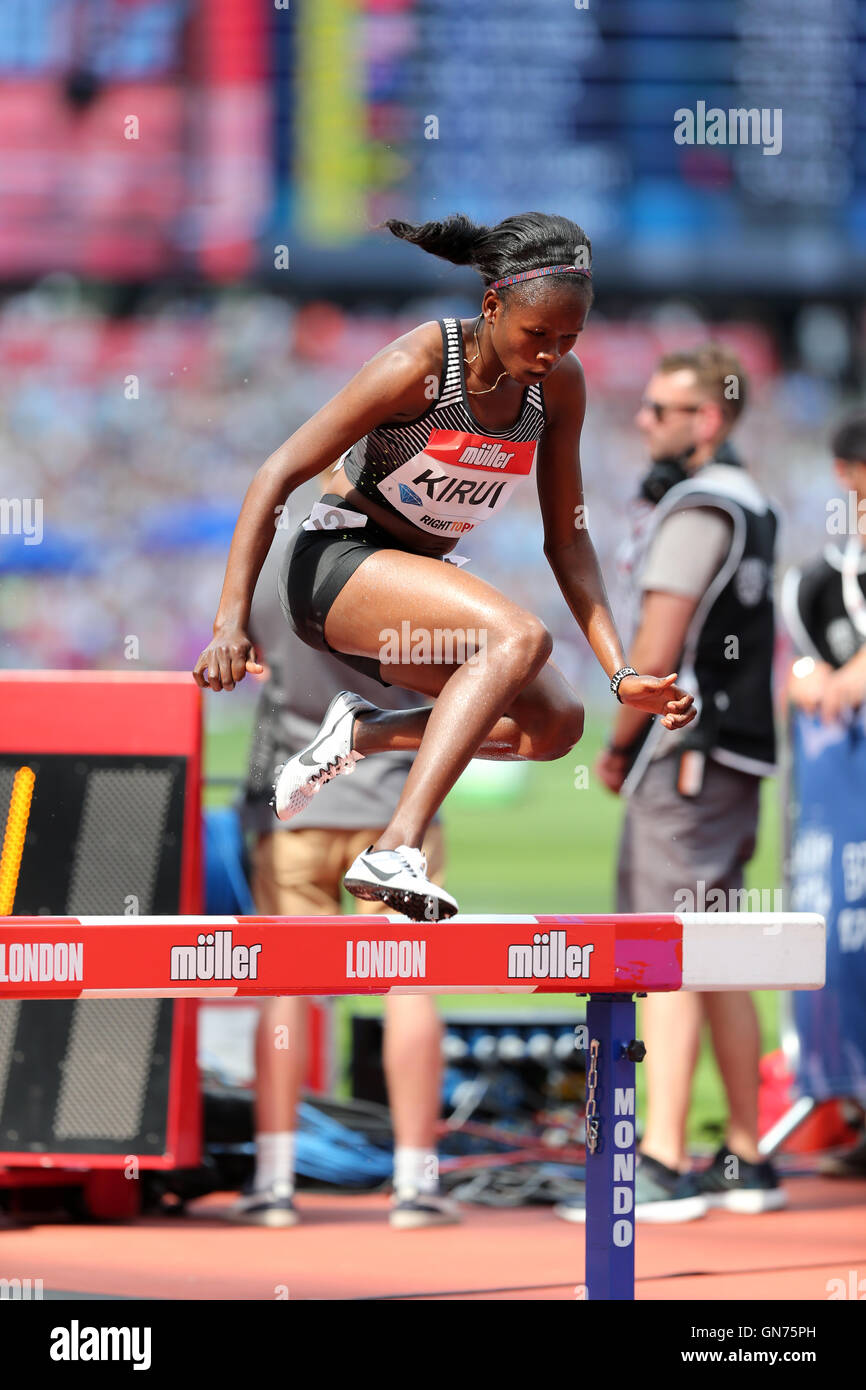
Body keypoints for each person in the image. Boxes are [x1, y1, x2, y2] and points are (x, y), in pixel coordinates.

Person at [193, 211, 695, 921]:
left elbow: (569, 538)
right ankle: (398, 847)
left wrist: (621, 672)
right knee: (519, 637)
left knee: (555, 725)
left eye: (569, 338)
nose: (552, 353)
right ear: (492, 307)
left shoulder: (558, 389)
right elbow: (275, 473)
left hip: (408, 583)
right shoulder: (421, 366)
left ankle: (359, 734)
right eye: (537, 335)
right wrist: (229, 624)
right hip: (335, 564)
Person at [558, 344, 784, 1225]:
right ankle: (747, 1155)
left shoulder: (698, 505)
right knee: (718, 950)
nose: (644, 420)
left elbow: (653, 654)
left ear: (709, 420)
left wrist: (615, 747)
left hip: (685, 755)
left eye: (663, 409)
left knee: (668, 948)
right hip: (735, 755)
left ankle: (660, 1160)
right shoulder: (755, 500)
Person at [227, 474, 458, 1228]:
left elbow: (249, 658)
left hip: (293, 801)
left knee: (285, 989)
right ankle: (416, 1184)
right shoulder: (420, 569)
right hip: (398, 810)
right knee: (411, 987)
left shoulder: (273, 566)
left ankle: (274, 1181)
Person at [784, 410, 866, 1178]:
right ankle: (852, 1106)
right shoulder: (820, 581)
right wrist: (813, 681)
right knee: (846, 934)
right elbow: (802, 672)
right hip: (845, 807)